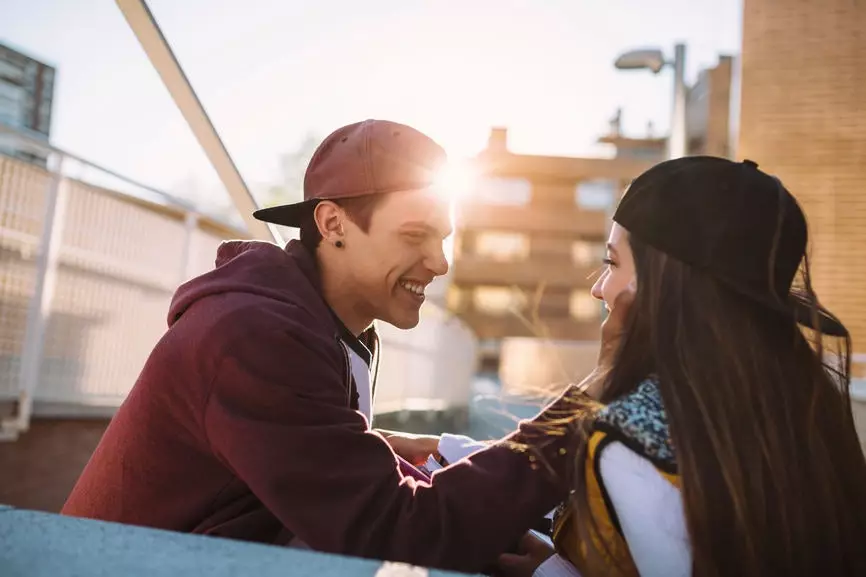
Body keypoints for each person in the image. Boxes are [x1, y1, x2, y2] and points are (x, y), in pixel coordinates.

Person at [61, 119, 625, 574]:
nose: (440, 262)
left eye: (442, 238)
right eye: (414, 235)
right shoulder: (254, 337)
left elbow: (340, 473)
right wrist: (586, 409)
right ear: (332, 222)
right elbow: (406, 530)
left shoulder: (322, 326)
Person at [497, 157, 866, 577]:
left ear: (665, 285)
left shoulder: (634, 437)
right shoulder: (812, 401)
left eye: (612, 262)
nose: (599, 288)